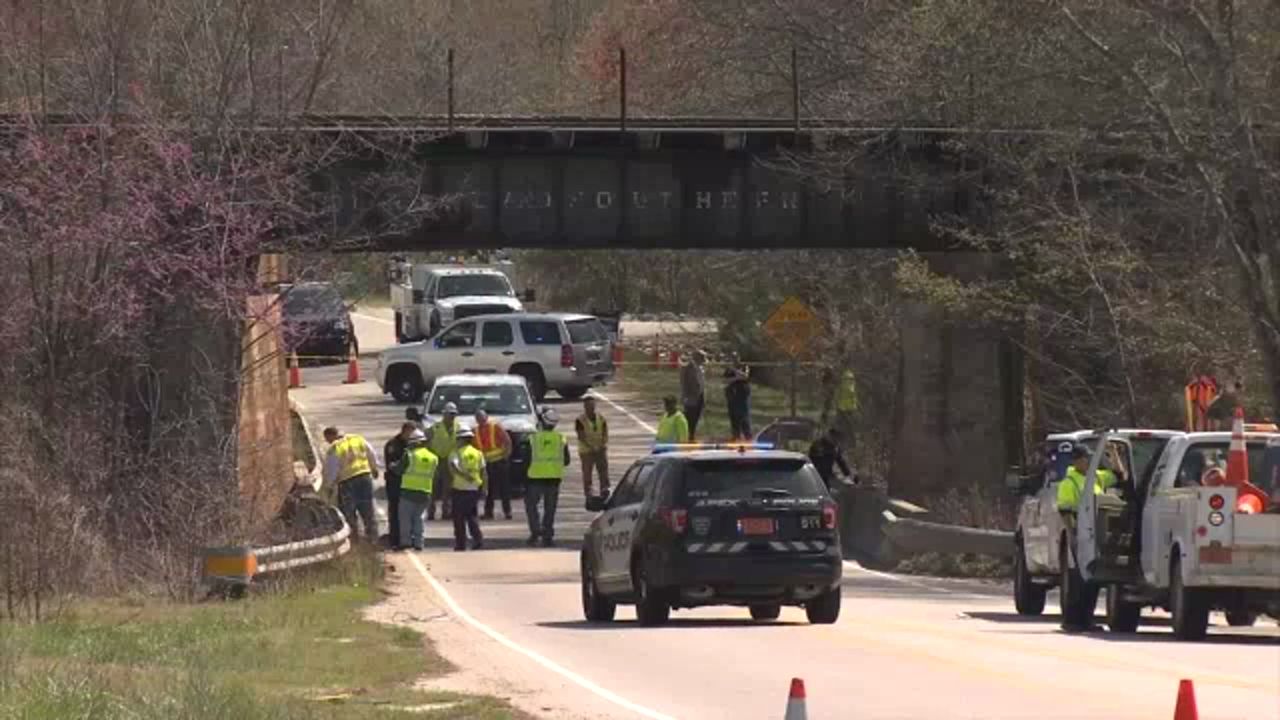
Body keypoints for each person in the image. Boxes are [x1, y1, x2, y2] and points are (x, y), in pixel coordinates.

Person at [322, 427, 383, 542]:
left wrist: (328, 487)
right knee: (368, 510)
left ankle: (354, 540)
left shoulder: (335, 448)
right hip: (365, 478)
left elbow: (332, 470)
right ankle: (373, 539)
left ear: (331, 435)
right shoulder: (358, 439)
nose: (327, 442)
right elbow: (371, 453)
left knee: (349, 513)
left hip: (347, 482)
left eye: (327, 439)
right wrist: (374, 469)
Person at [527, 407, 571, 547]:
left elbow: (526, 459)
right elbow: (566, 460)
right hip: (554, 478)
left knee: (531, 505)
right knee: (550, 508)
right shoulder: (560, 439)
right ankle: (548, 535)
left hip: (535, 477)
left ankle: (535, 531)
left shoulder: (532, 439)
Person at [394, 429, 438, 551]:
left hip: (409, 491)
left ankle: (406, 542)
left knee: (405, 518)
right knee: (419, 518)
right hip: (425, 492)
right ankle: (419, 543)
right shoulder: (433, 457)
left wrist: (392, 466)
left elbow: (399, 470)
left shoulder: (410, 455)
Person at [447, 426, 487, 551]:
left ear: (460, 439)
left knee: (459, 518)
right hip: (474, 488)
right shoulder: (478, 453)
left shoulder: (456, 452)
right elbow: (484, 472)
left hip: (460, 488)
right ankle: (478, 540)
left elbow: (453, 467)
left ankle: (461, 543)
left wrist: (464, 476)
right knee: (472, 516)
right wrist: (485, 488)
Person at [382, 422, 419, 549]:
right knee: (395, 510)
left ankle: (408, 538)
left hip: (409, 482)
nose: (412, 436)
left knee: (409, 512)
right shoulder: (393, 445)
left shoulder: (412, 444)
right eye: (411, 432)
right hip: (395, 482)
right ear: (405, 431)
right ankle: (395, 539)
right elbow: (393, 466)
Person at [476, 409, 513, 520]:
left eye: (483, 418)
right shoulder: (475, 431)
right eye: (479, 419)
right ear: (476, 420)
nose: (481, 421)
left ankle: (507, 512)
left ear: (486, 418)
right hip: (487, 464)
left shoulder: (496, 427)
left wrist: (506, 456)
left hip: (499, 462)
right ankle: (488, 512)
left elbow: (507, 441)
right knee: (489, 490)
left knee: (504, 489)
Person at [427, 402, 460, 521]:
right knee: (433, 488)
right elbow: (426, 442)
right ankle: (431, 512)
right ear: (444, 414)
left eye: (453, 414)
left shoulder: (459, 428)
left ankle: (446, 512)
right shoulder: (435, 428)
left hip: (450, 461)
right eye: (449, 414)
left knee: (448, 488)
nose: (452, 417)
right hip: (436, 460)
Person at [575, 396, 609, 497]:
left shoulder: (601, 418)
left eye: (593, 405)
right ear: (584, 407)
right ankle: (589, 492)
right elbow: (581, 436)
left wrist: (603, 444)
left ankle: (605, 489)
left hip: (600, 449)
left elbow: (605, 432)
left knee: (603, 470)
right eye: (588, 405)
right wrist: (591, 446)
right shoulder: (580, 420)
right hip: (586, 451)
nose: (591, 407)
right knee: (587, 473)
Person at [680, 349, 707, 441]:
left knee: (696, 416)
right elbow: (684, 382)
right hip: (691, 396)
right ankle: (688, 435)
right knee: (690, 416)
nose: (704, 360)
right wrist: (684, 395)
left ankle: (692, 435)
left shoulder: (701, 368)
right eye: (703, 358)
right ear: (698, 357)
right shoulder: (688, 367)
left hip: (700, 395)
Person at [724, 359, 752, 441]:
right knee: (733, 418)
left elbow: (745, 376)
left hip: (742, 396)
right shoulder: (729, 370)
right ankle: (735, 436)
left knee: (744, 417)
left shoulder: (744, 366)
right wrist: (737, 378)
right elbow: (726, 380)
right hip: (732, 396)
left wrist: (735, 372)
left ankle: (748, 437)